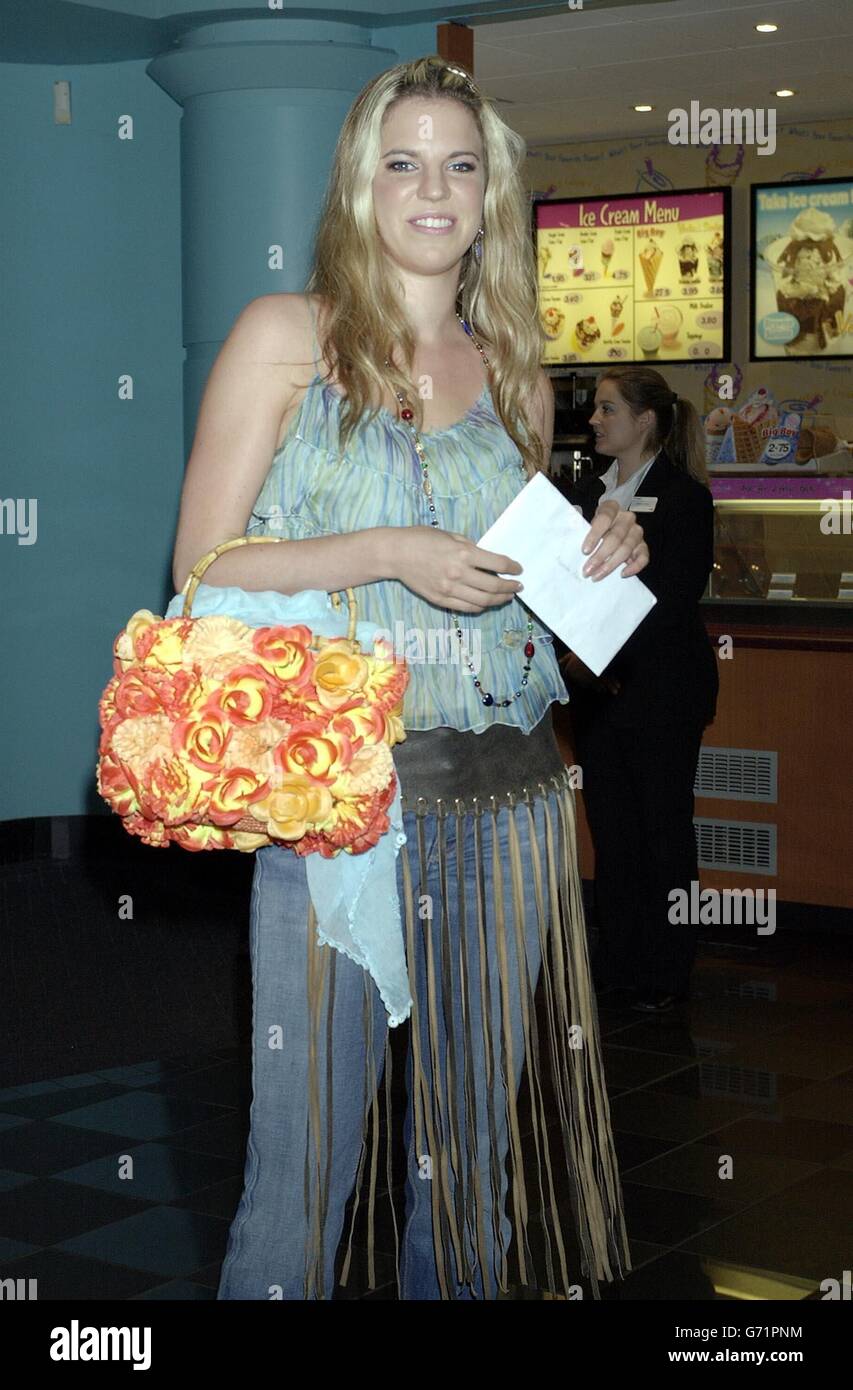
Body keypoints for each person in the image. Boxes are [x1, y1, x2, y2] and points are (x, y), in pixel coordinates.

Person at [171, 56, 649, 1301]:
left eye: (458, 163)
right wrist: (387, 552)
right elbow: (201, 565)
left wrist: (604, 550)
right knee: (303, 1163)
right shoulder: (286, 337)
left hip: (510, 803)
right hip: (344, 810)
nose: (430, 187)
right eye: (402, 160)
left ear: (489, 194)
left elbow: (533, 590)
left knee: (469, 1166)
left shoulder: (518, 378)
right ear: (358, 185)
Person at [555, 366, 719, 1016]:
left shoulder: (682, 498)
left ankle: (667, 969)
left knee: (662, 832)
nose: (593, 421)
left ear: (644, 420)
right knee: (613, 831)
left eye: (607, 409)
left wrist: (598, 654)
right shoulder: (584, 490)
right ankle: (619, 965)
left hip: (660, 690)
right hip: (600, 696)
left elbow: (669, 600)